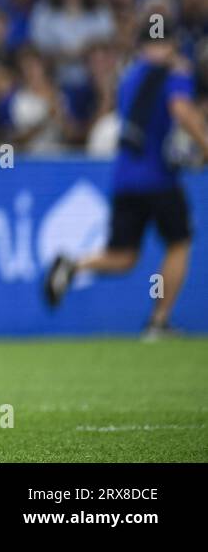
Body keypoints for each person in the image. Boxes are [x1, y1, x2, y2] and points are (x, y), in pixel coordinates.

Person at [46, 25, 208, 337]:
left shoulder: (130, 76)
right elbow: (180, 110)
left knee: (123, 256)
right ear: (171, 44)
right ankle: (158, 320)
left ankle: (73, 265)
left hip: (125, 178)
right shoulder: (175, 72)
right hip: (159, 178)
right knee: (178, 244)